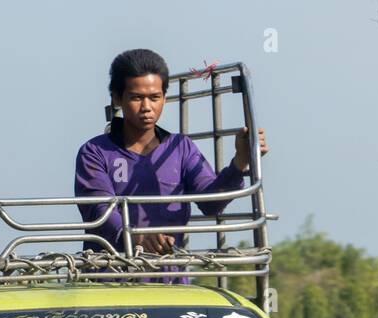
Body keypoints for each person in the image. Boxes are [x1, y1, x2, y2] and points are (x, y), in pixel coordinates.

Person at [74, 49, 268, 264]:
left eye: (154, 97)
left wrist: (240, 161)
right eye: (137, 98)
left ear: (164, 98)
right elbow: (100, 212)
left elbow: (211, 203)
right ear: (117, 98)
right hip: (111, 278)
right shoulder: (94, 152)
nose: (147, 107)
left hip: (169, 277)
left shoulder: (180, 148)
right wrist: (137, 238)